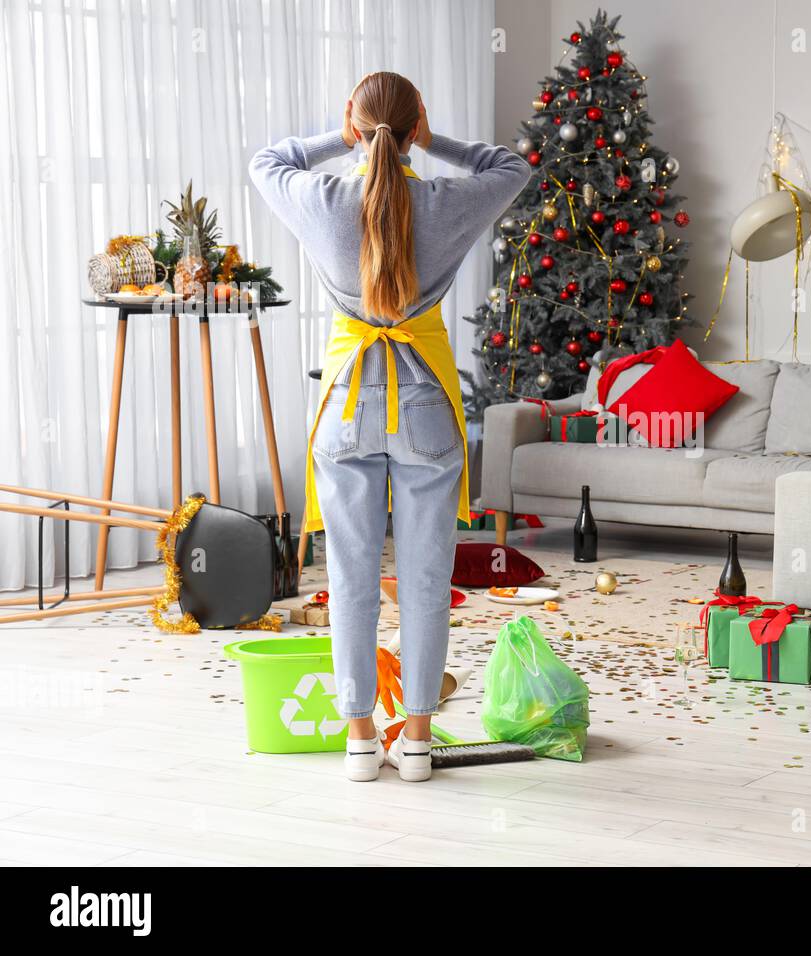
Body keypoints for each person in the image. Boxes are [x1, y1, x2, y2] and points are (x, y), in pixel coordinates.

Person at [250, 71, 529, 781]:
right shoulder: (446, 198)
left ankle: (359, 738)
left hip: (346, 403)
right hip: (427, 404)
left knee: (348, 577)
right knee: (427, 577)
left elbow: (266, 163)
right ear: (417, 128)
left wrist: (341, 137)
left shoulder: (321, 198)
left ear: (353, 121)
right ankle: (418, 741)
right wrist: (435, 143)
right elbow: (514, 166)